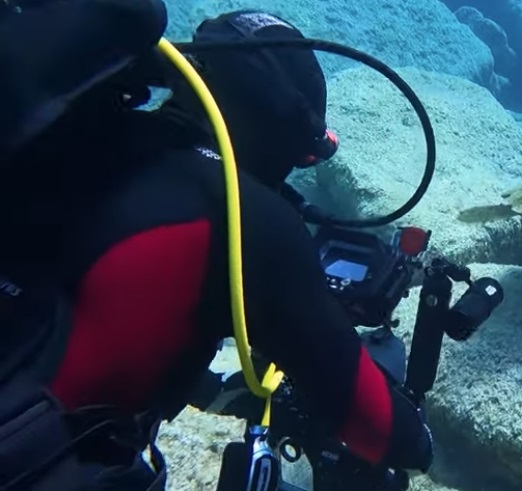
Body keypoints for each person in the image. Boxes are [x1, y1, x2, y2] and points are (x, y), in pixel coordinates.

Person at [0, 8, 432, 491]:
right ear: (288, 136)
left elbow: (103, 314)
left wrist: (216, 392)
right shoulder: (252, 221)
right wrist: (421, 437)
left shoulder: (75, 127)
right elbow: (377, 428)